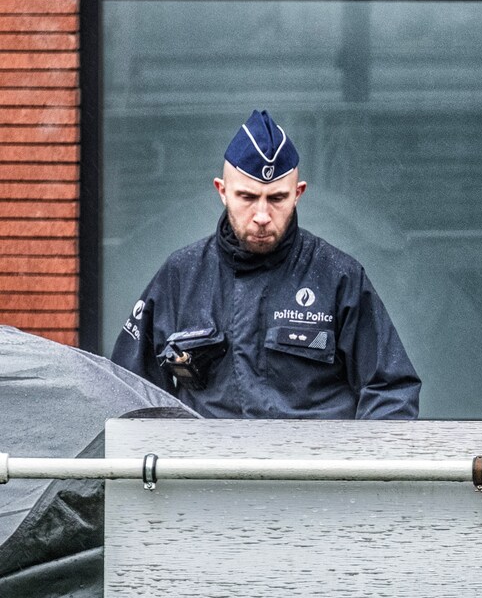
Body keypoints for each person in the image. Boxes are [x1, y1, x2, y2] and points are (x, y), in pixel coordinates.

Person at [112, 111, 419, 419]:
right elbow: (131, 392)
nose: (261, 215)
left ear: (297, 194)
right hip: (210, 465)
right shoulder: (181, 275)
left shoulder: (338, 277)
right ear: (222, 191)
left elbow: (390, 391)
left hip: (313, 465)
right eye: (247, 196)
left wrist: (357, 464)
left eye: (276, 198)